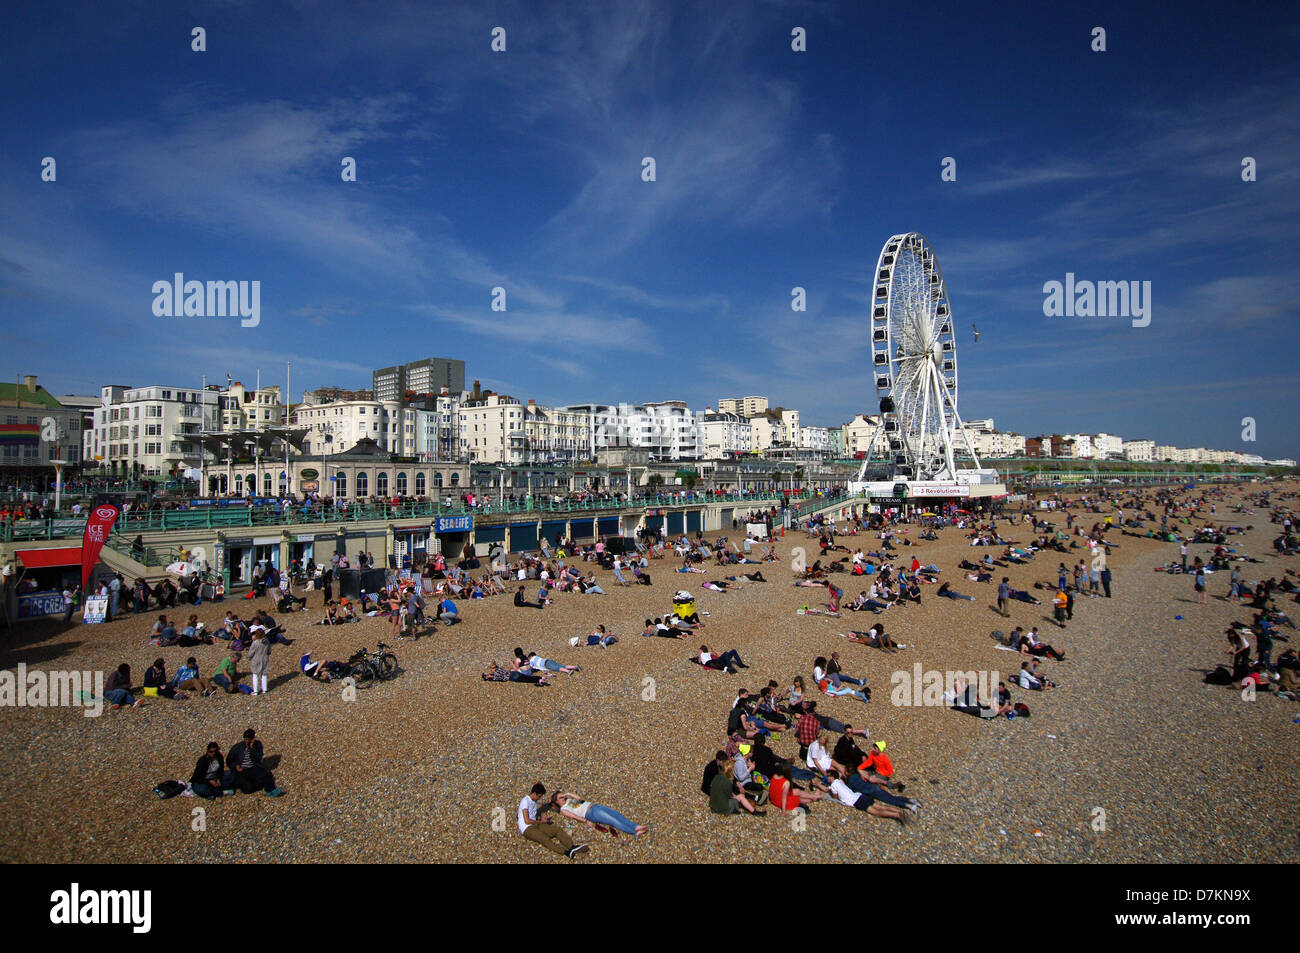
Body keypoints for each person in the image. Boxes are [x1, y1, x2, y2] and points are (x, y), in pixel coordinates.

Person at [519, 783, 588, 858]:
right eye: (539, 796)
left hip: (536, 823)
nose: (539, 798)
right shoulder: (525, 802)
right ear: (534, 793)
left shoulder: (534, 801)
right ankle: (566, 852)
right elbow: (527, 821)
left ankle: (572, 847)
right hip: (527, 828)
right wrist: (540, 822)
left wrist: (541, 819)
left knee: (557, 830)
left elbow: (532, 816)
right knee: (544, 839)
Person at [553, 792, 649, 837]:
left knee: (616, 814)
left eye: (562, 795)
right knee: (613, 820)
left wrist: (568, 794)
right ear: (556, 801)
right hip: (590, 813)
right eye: (560, 797)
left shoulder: (569, 800)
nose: (563, 797)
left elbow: (580, 799)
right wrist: (586, 821)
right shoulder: (563, 809)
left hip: (594, 806)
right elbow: (574, 816)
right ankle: (635, 832)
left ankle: (635, 826)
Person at [223, 728, 284, 796]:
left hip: (253, 767)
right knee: (247, 789)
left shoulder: (257, 745)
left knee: (266, 774)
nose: (247, 741)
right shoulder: (237, 747)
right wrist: (235, 766)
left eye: (249, 739)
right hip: (241, 770)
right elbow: (229, 760)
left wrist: (252, 748)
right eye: (246, 739)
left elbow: (258, 758)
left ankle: (271, 790)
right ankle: (257, 784)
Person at [247, 629, 271, 695]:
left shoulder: (255, 642)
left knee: (255, 675)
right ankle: (265, 689)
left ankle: (256, 691)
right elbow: (269, 651)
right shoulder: (267, 641)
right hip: (265, 658)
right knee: (264, 674)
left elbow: (250, 653)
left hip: (256, 659)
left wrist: (249, 657)